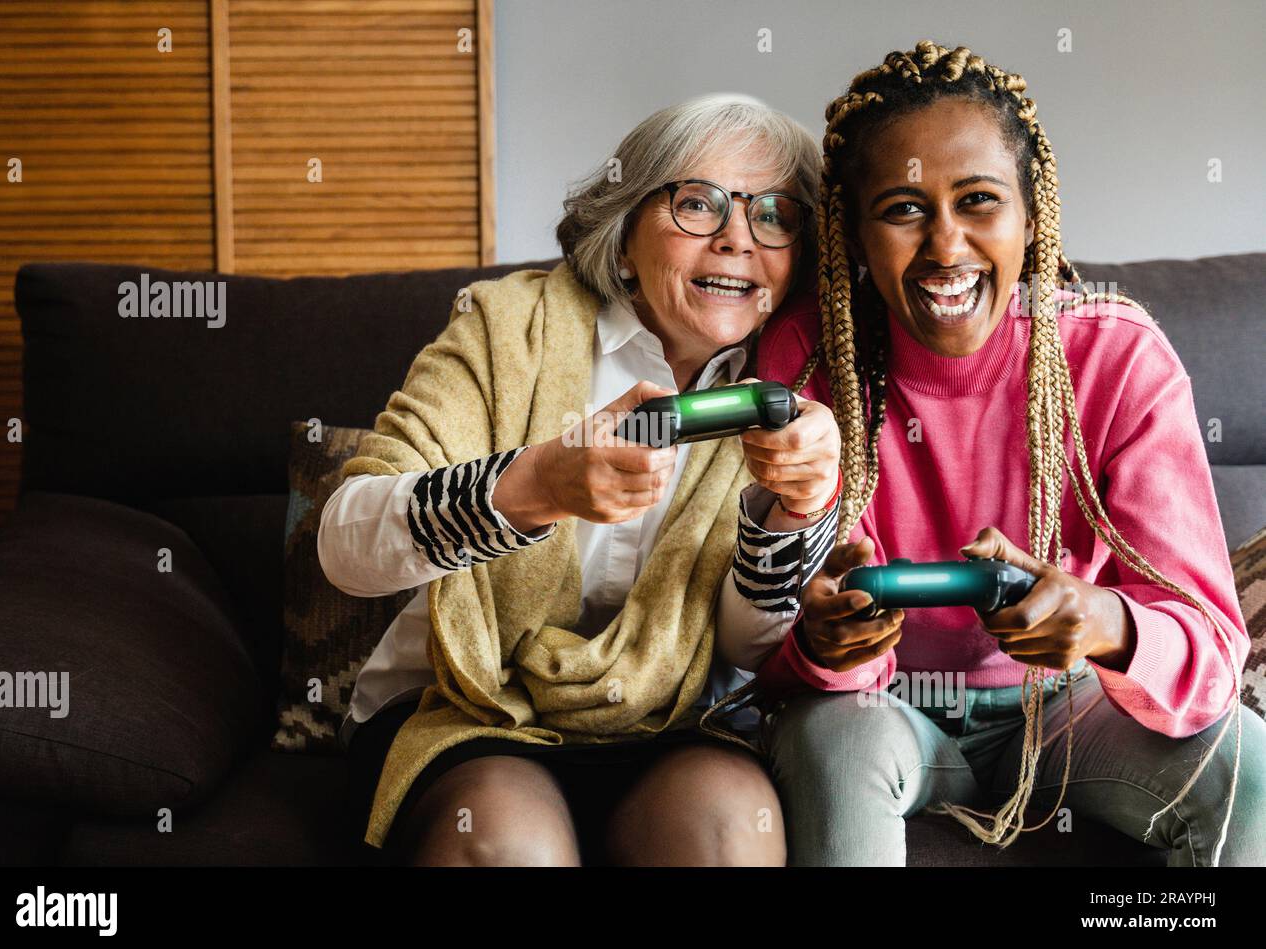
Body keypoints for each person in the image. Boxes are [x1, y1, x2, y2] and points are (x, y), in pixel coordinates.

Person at [735, 41, 1265, 866]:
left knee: (1253, 775)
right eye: (903, 208)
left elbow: (1210, 653)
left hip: (1071, 705)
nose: (946, 247)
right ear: (854, 234)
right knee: (832, 745)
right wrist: (827, 648)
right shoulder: (804, 359)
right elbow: (754, 663)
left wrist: (1106, 624)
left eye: (978, 200)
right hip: (882, 713)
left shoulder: (1115, 356)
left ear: (1031, 214)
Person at [318, 93, 843, 865]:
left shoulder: (798, 381)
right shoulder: (504, 330)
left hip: (669, 723)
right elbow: (344, 547)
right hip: (465, 712)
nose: (738, 239)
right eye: (698, 204)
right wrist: (537, 487)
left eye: (774, 215)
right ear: (624, 234)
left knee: (730, 830)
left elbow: (745, 644)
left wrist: (796, 511)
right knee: (509, 843)